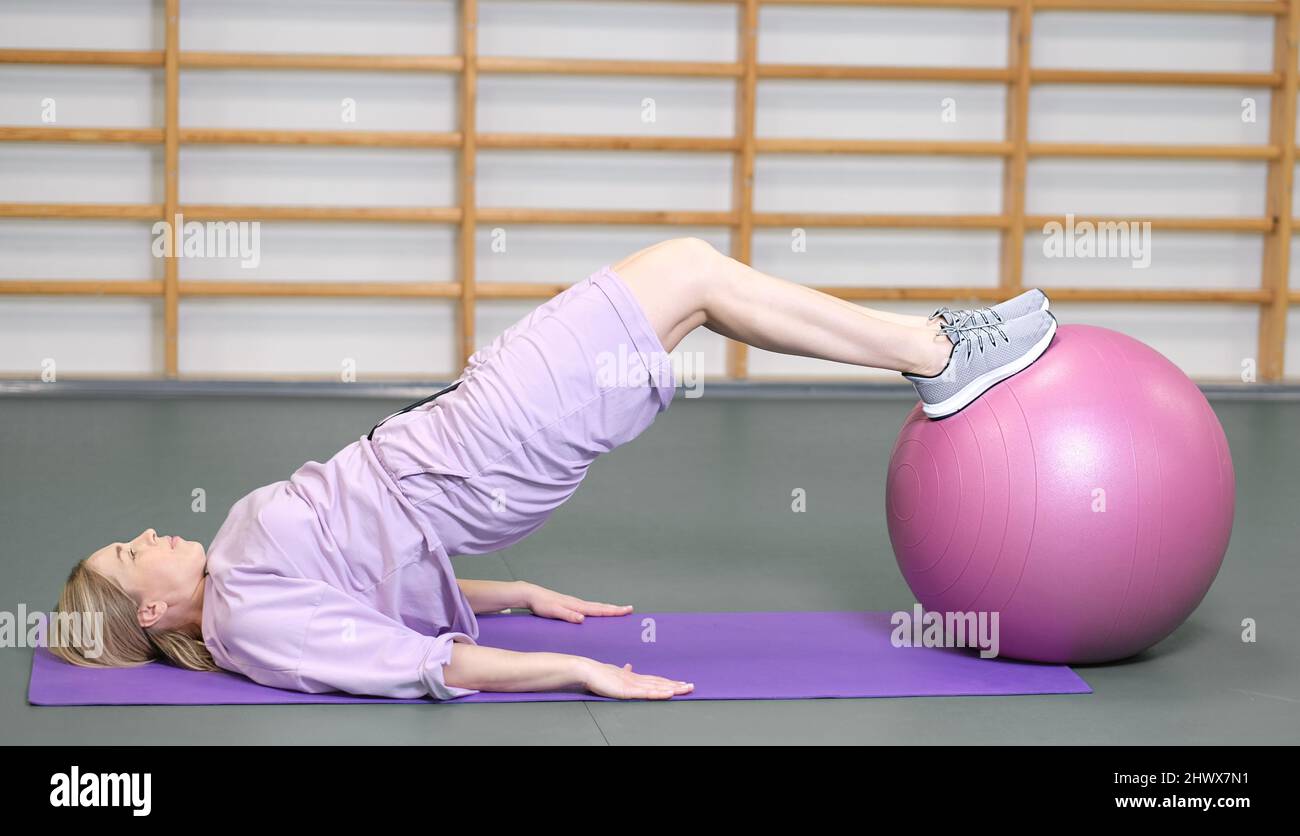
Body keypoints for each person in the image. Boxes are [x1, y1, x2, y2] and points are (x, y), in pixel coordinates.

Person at [50, 237, 1055, 700]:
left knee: (695, 286)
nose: (148, 534)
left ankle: (932, 345)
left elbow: (378, 591)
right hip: (482, 449)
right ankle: (934, 349)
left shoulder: (236, 571)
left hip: (466, 435)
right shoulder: (245, 621)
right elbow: (415, 659)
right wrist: (571, 670)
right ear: (149, 612)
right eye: (133, 553)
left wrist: (515, 591)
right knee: (692, 270)